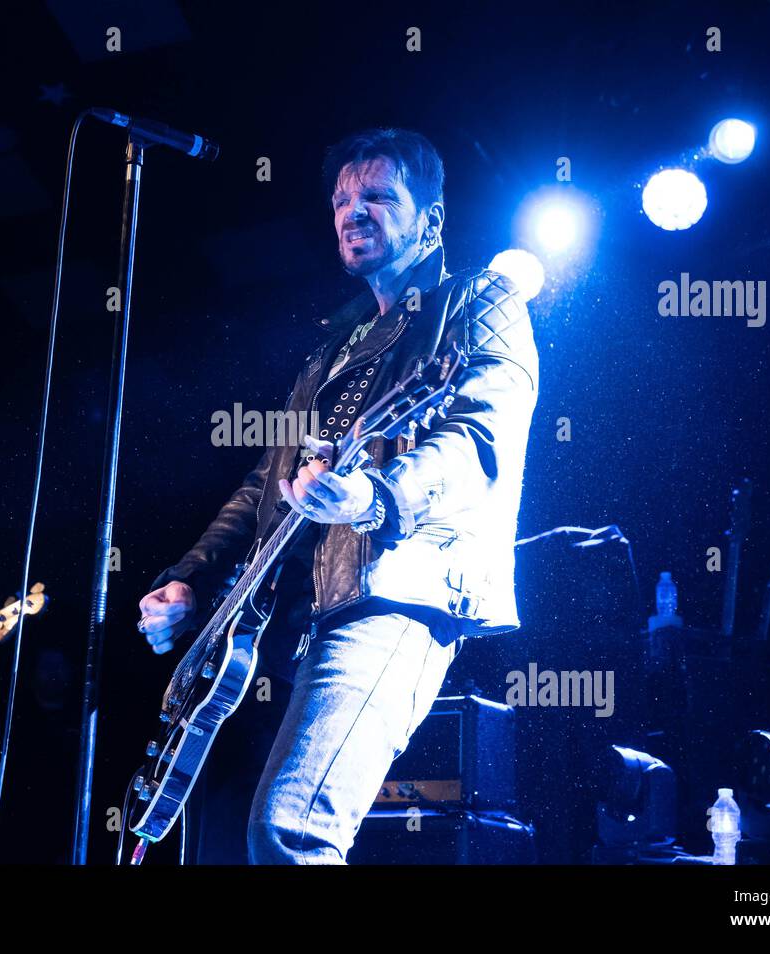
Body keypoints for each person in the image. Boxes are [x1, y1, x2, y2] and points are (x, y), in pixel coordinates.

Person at [137, 127, 539, 864]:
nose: (354, 211)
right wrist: (189, 579)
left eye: (380, 196)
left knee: (293, 833)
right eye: (342, 200)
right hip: (287, 617)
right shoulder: (332, 353)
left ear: (432, 219)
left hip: (397, 592)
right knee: (226, 842)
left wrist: (377, 495)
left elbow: (481, 436)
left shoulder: (480, 299)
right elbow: (265, 482)